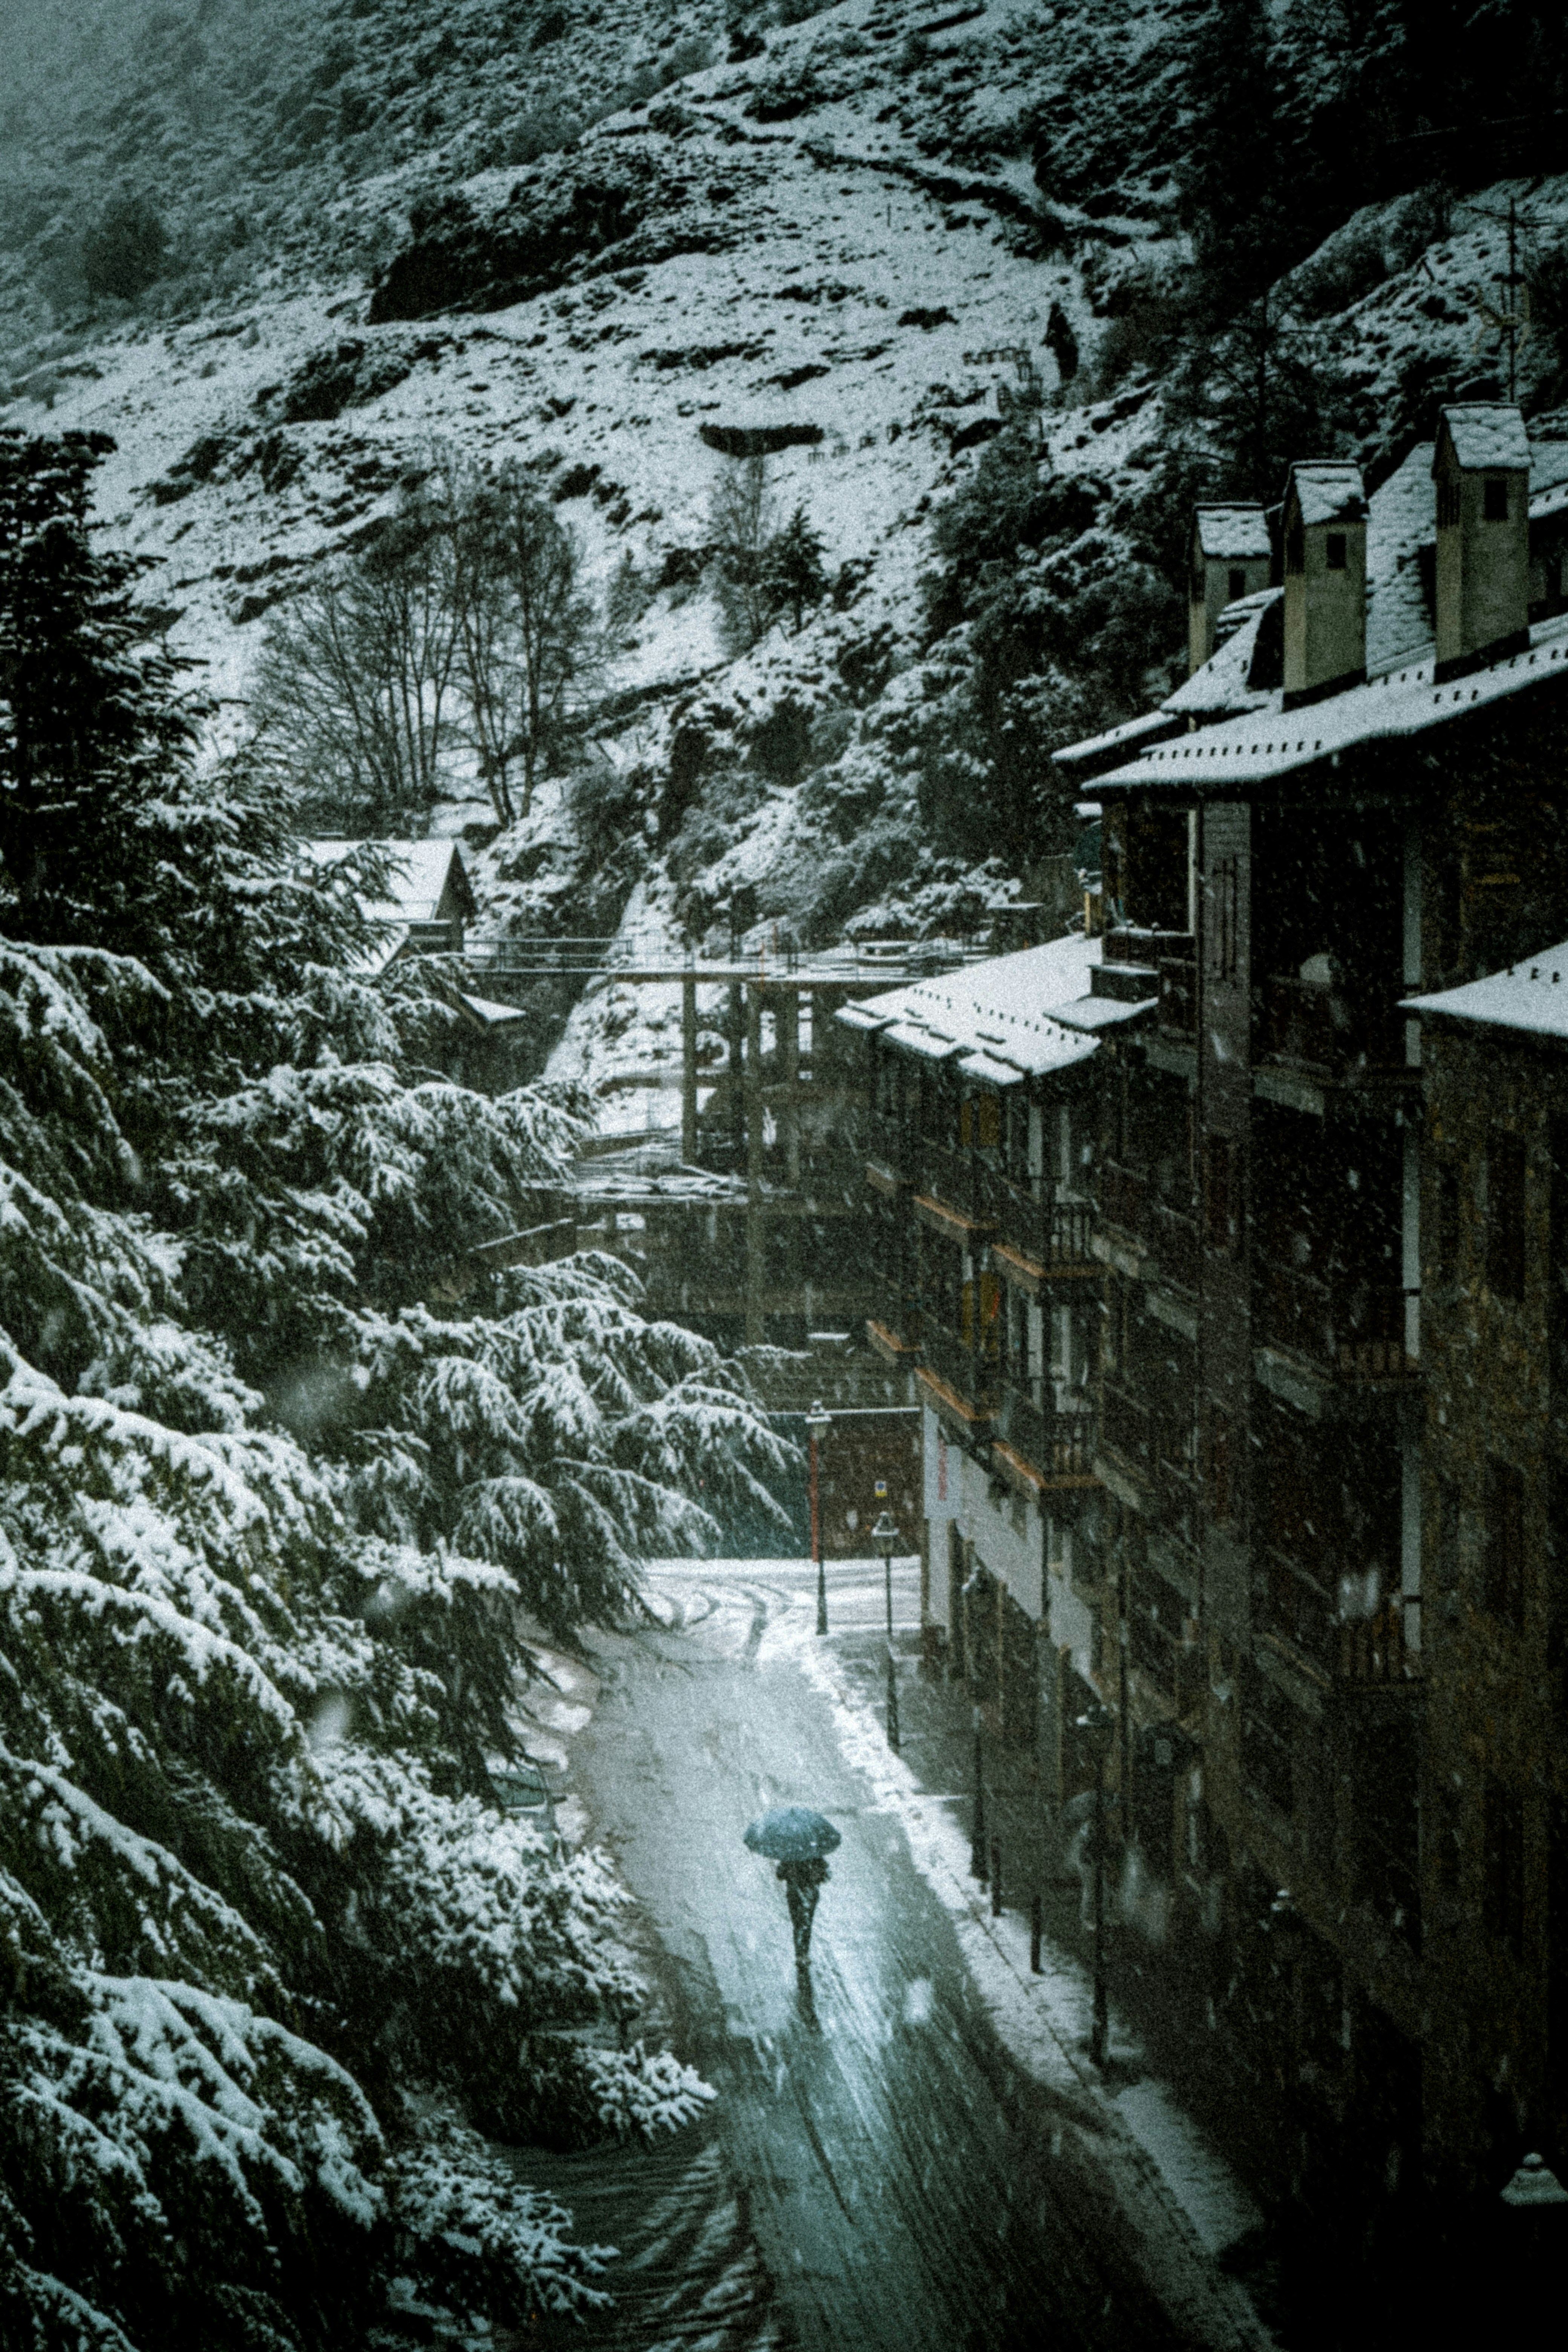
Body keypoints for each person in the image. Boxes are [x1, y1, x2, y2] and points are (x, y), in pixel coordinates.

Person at [776, 1854, 830, 1969]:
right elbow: (779, 1874)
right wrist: (788, 1873)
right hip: (795, 1895)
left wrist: (818, 1875)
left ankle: (802, 1953)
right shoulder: (790, 1857)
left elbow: (827, 1875)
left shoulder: (816, 1857)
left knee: (806, 1923)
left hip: (809, 1894)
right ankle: (801, 1953)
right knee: (798, 1923)